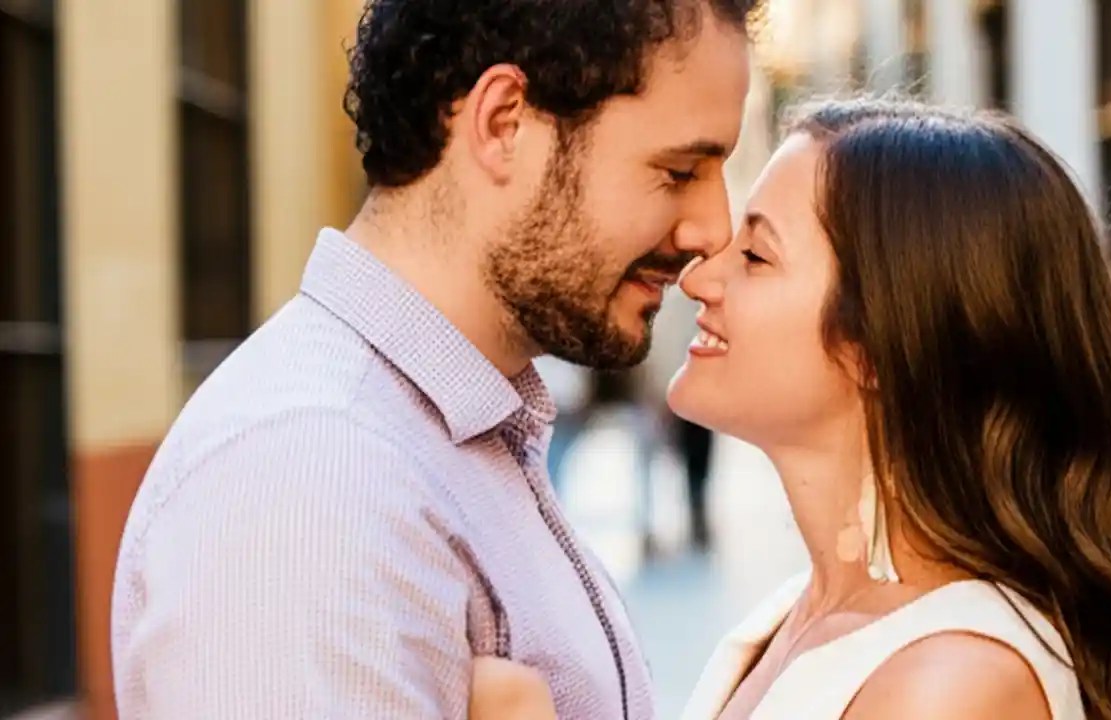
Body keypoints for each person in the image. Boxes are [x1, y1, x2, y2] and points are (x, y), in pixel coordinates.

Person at [109, 0, 759, 718]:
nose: (712, 229)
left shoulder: (443, 431)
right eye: (679, 170)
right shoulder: (312, 476)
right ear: (504, 121)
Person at [668, 97, 1111, 720]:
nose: (699, 279)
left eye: (757, 256)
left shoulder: (951, 683)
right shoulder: (790, 620)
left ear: (878, 344)